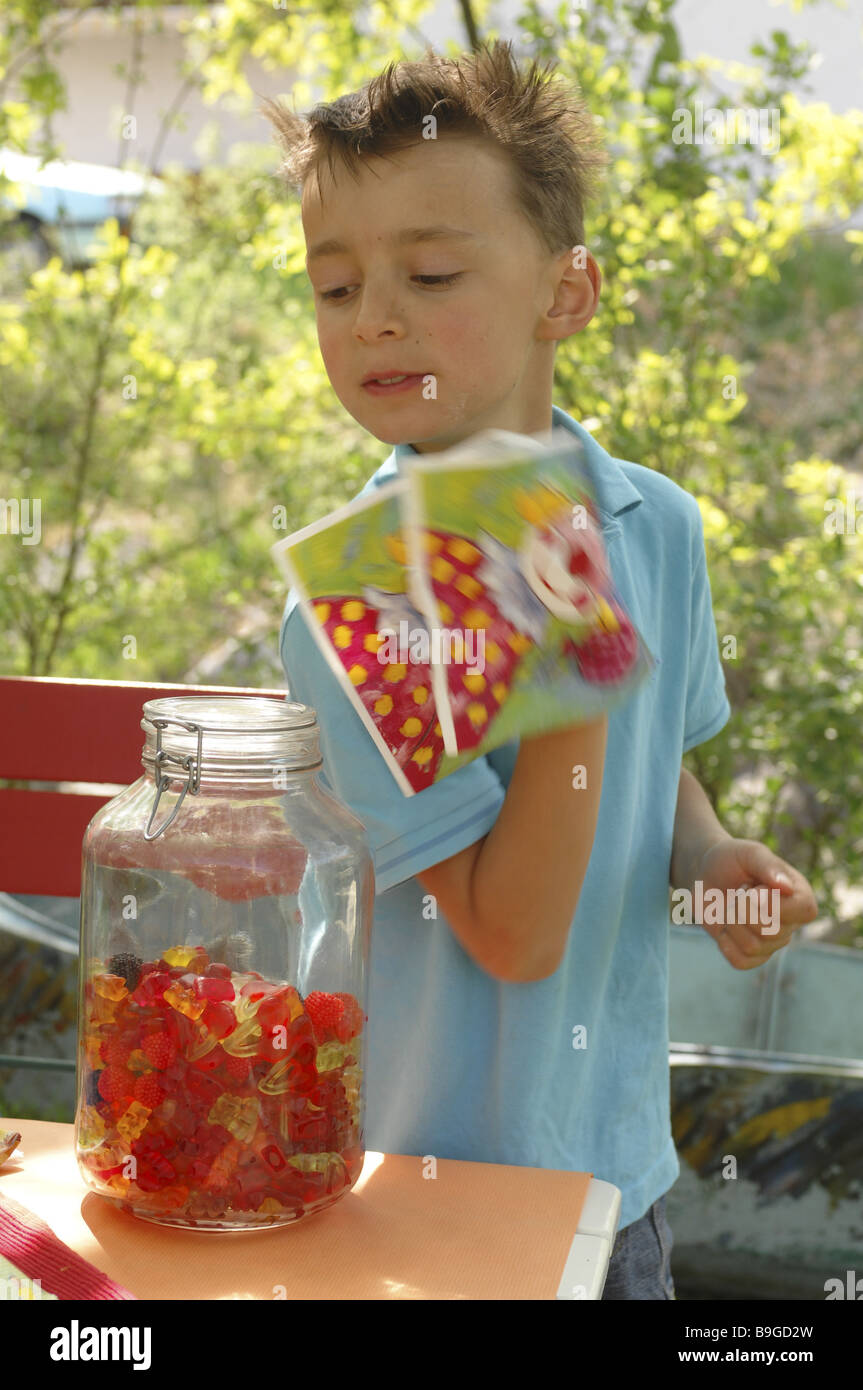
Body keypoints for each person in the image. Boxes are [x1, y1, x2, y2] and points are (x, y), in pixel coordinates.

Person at [261, 39, 818, 1299]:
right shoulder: (365, 590)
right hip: (420, 1200)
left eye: (433, 270)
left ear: (566, 294)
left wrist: (713, 862)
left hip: (617, 1177)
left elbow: (654, 777)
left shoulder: (653, 524)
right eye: (333, 286)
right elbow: (509, 932)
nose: (375, 318)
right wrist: (565, 648)